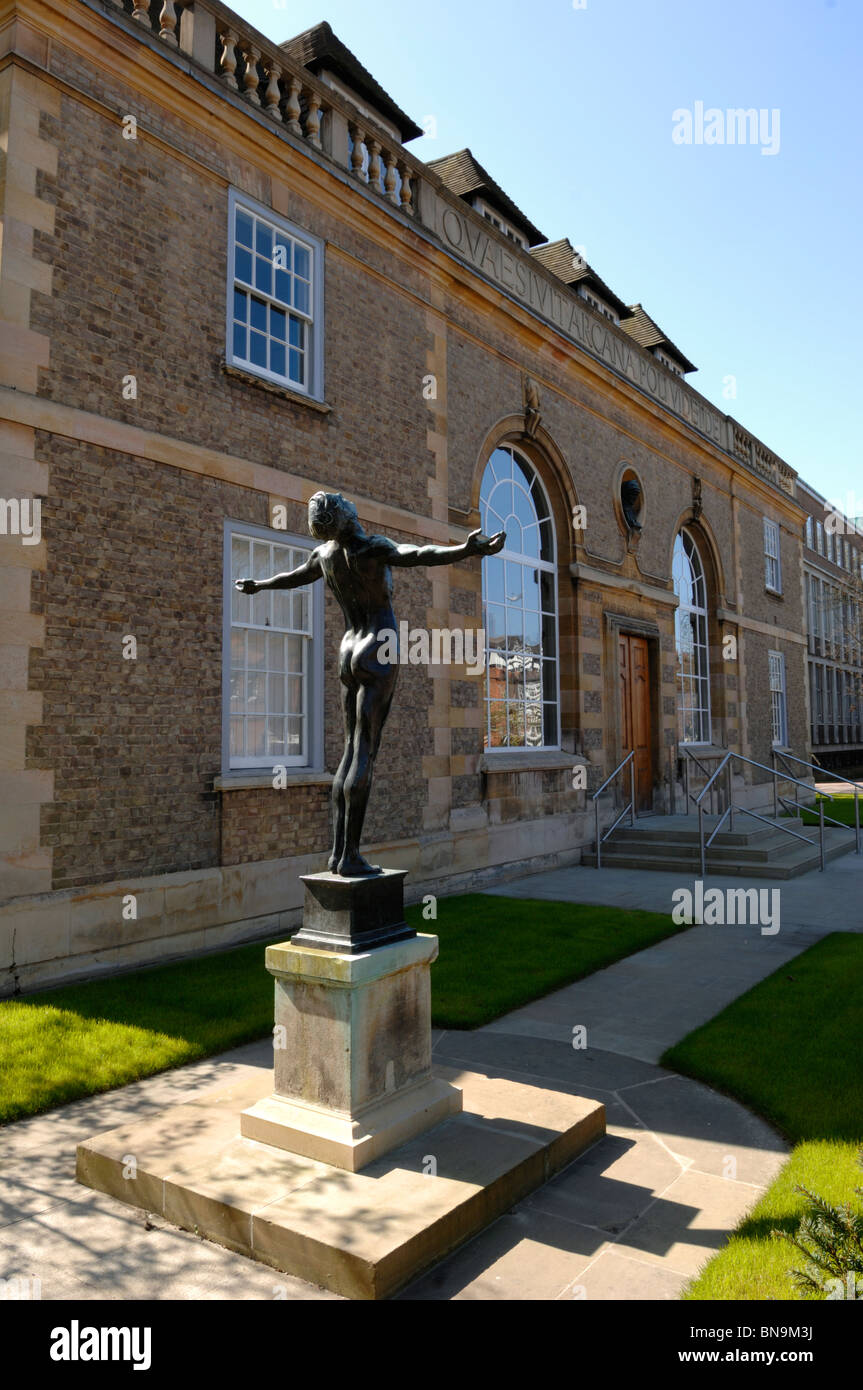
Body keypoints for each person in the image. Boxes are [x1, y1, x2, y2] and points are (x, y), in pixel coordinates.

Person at [235, 490, 505, 877]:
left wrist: (258, 585)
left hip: (348, 648)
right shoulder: (371, 547)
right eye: (343, 502)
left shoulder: (325, 555)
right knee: (364, 752)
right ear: (345, 514)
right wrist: (466, 549)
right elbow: (418, 555)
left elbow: (293, 577)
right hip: (378, 645)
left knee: (349, 752)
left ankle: (338, 854)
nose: (348, 501)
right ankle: (350, 856)